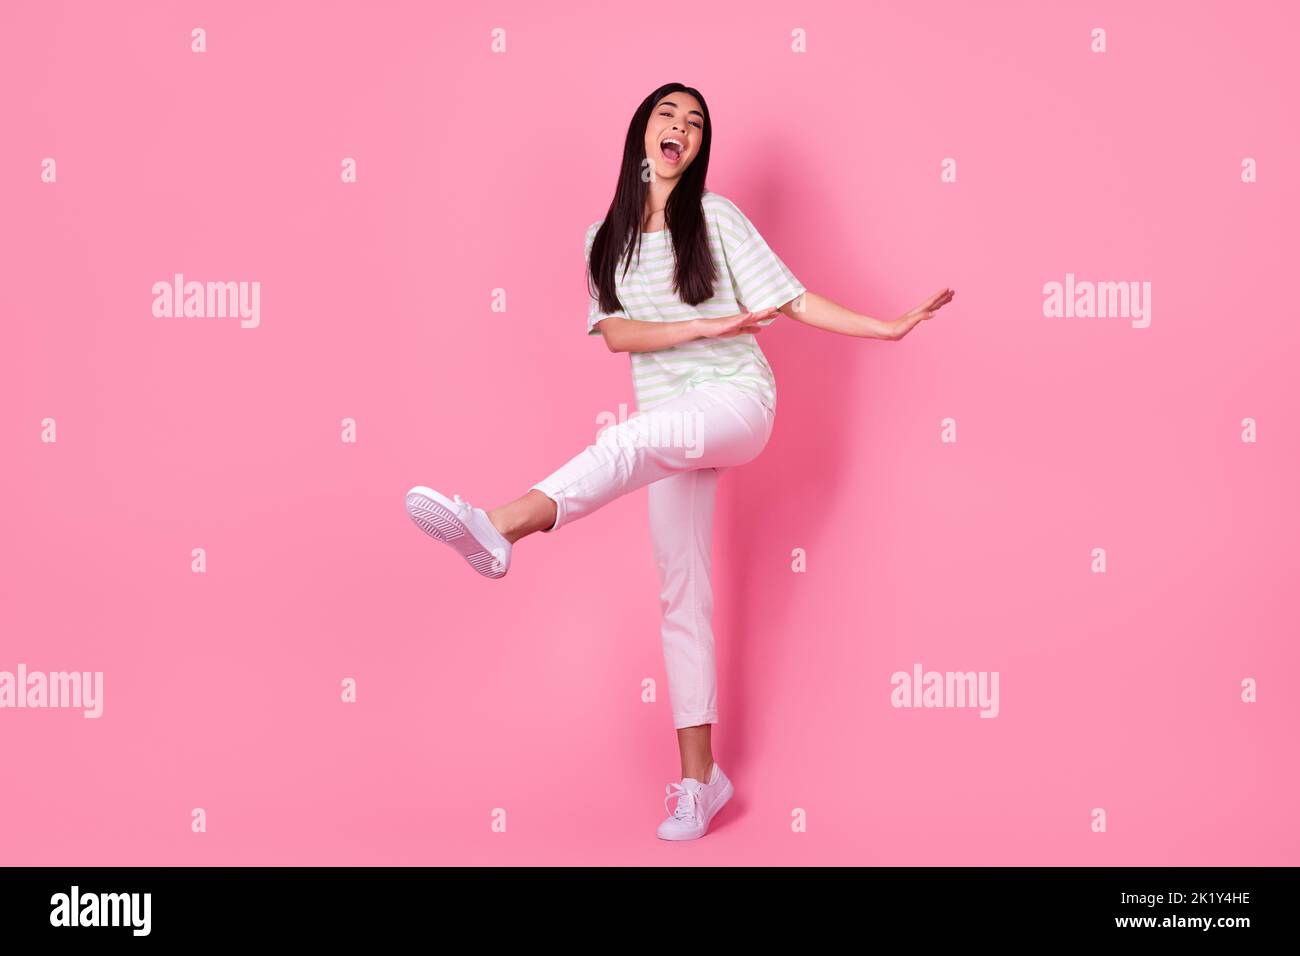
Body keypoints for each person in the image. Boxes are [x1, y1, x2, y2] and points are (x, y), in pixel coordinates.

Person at [406, 81, 955, 841]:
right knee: (680, 593)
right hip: (670, 419)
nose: (682, 127)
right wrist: (706, 327)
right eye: (669, 114)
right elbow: (620, 337)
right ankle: (701, 783)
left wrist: (886, 329)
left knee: (625, 441)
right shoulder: (605, 239)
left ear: (698, 149)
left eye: (695, 122)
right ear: (642, 134)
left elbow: (792, 300)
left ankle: (499, 524)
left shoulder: (717, 217)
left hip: (737, 401)